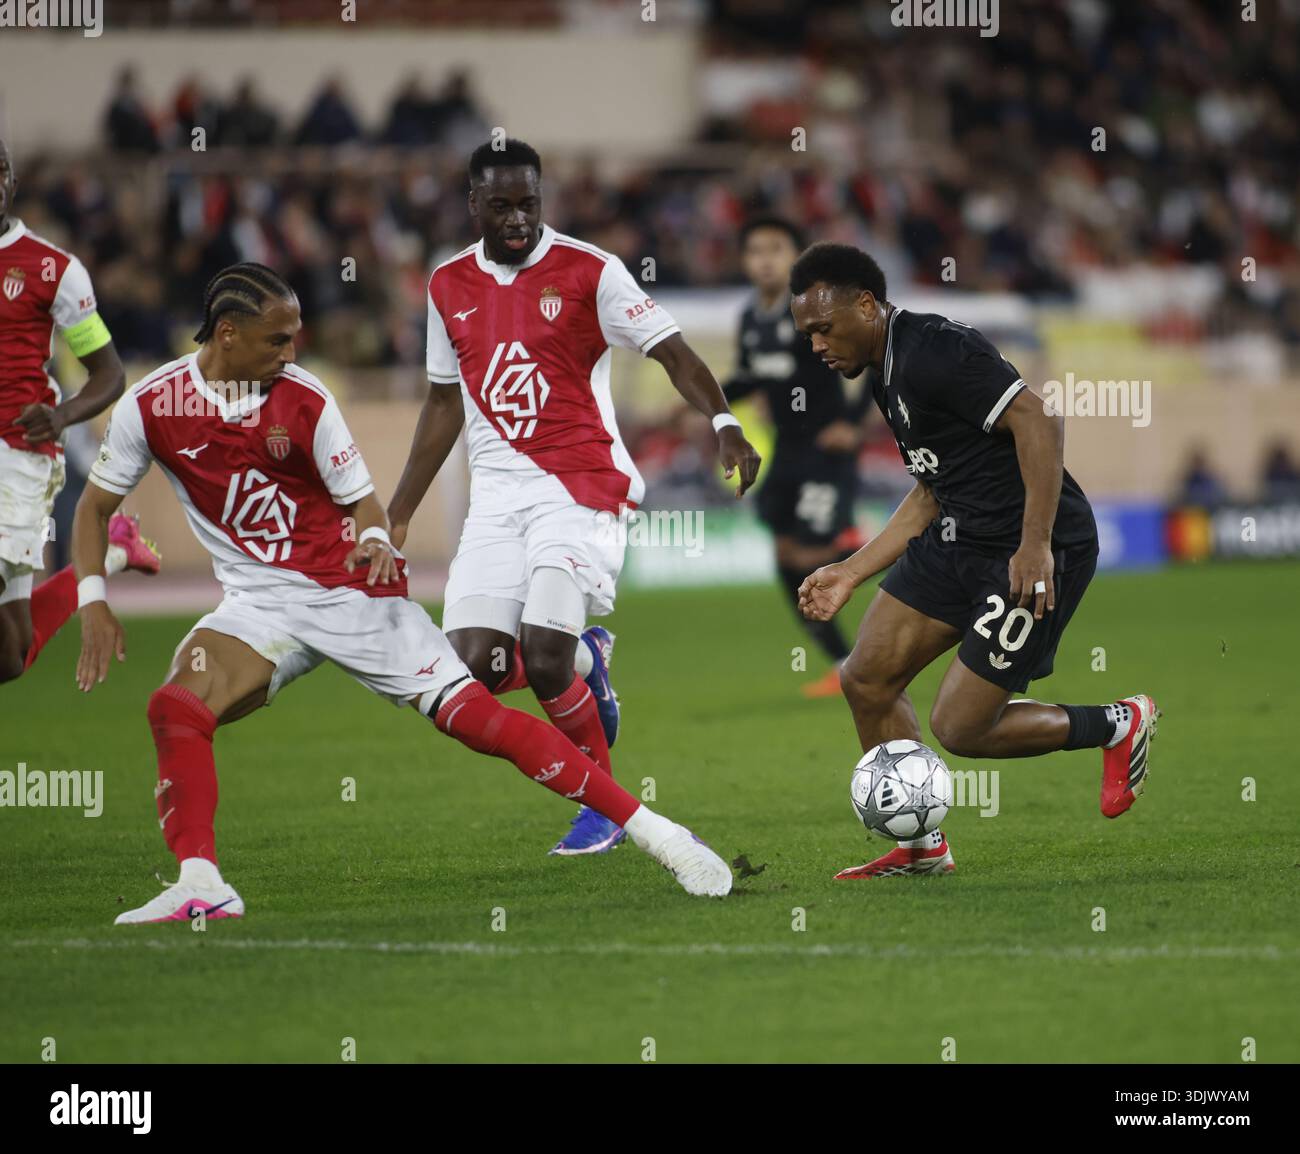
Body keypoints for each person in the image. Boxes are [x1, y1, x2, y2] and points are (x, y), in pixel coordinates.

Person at [74, 262, 732, 924]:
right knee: (175, 706)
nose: (292, 352)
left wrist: (379, 545)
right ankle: (201, 881)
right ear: (226, 334)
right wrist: (93, 600)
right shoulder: (152, 406)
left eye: (295, 336)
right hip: (258, 602)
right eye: (277, 340)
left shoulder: (305, 401)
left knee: (478, 722)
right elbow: (94, 509)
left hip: (352, 596)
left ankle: (662, 835)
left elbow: (362, 505)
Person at [387, 138, 760, 856]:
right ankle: (592, 658)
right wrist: (401, 508)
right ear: (474, 205)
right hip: (496, 499)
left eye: (529, 203)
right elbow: (442, 404)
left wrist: (724, 423)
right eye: (502, 206)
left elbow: (674, 354)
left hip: (578, 488)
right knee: (476, 670)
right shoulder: (446, 285)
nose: (519, 219)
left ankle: (606, 807)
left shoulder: (592, 271)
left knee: (543, 654)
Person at [791, 243, 1157, 878]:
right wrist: (851, 570)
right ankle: (921, 850)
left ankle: (1119, 723)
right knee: (865, 679)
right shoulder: (883, 368)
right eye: (807, 333)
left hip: (1033, 547)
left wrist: (1035, 544)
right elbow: (932, 489)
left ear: (867, 304)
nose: (817, 344)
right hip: (958, 538)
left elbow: (1040, 421)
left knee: (962, 728)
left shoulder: (934, 348)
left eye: (824, 327)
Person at [0, 138, 158, 686]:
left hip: (14, 455)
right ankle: (111, 553)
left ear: (11, 180)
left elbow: (109, 372)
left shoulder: (53, 269)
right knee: (9, 657)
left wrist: (62, 416)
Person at [723, 217, 872, 698]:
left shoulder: (812, 305)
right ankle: (843, 662)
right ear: (745, 261)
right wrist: (704, 400)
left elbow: (870, 350)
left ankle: (898, 547)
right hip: (785, 450)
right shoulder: (750, 317)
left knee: (811, 555)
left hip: (825, 452)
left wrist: (852, 422)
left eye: (776, 248)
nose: (765, 259)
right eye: (755, 250)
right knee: (786, 556)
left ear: (794, 255)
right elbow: (751, 376)